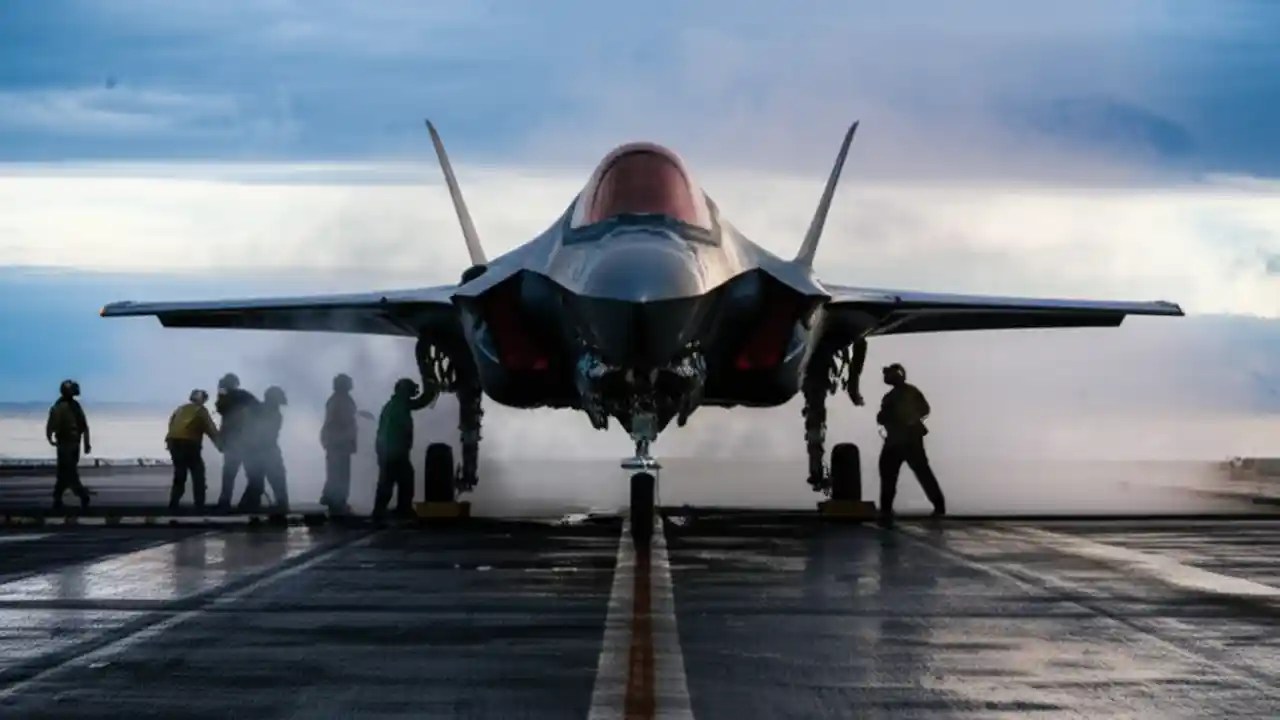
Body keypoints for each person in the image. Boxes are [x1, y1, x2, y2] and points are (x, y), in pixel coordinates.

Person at [875, 363, 946, 527]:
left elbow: (924, 409)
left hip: (908, 440)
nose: (886, 377)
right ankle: (886, 508)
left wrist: (909, 420)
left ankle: (938, 506)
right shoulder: (893, 396)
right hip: (898, 440)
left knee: (919, 473)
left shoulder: (908, 393)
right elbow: (884, 416)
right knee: (892, 473)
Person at [372, 377, 439, 521]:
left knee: (388, 481)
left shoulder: (392, 405)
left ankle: (381, 511)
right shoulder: (400, 407)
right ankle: (400, 510)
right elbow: (403, 429)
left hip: (387, 450)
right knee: (404, 480)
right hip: (395, 451)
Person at [319, 373, 374, 515]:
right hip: (338, 443)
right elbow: (343, 419)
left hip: (336, 442)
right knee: (340, 474)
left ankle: (331, 499)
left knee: (336, 473)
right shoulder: (340, 400)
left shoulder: (338, 399)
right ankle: (337, 503)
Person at [165, 389, 222, 511]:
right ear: (203, 400)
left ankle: (173, 504)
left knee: (180, 474)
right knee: (198, 473)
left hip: (173, 442)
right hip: (189, 443)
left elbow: (171, 425)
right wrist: (221, 446)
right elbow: (210, 429)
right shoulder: (200, 411)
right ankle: (199, 505)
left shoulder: (180, 409)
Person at [238, 385, 290, 513]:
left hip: (261, 450)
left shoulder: (261, 411)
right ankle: (251, 507)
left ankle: (250, 506)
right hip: (259, 450)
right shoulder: (267, 413)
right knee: (261, 482)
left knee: (262, 481)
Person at [214, 373, 260, 511]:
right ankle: (249, 502)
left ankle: (226, 502)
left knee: (229, 474)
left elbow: (222, 412)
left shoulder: (226, 399)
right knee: (251, 473)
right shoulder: (243, 396)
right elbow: (259, 409)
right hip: (243, 441)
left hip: (235, 441)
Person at [45, 379, 92, 511]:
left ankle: (62, 497)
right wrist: (86, 443)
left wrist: (87, 443)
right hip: (67, 444)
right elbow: (52, 424)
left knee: (66, 472)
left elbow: (83, 426)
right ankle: (78, 496)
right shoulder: (65, 406)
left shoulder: (68, 406)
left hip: (69, 444)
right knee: (67, 472)